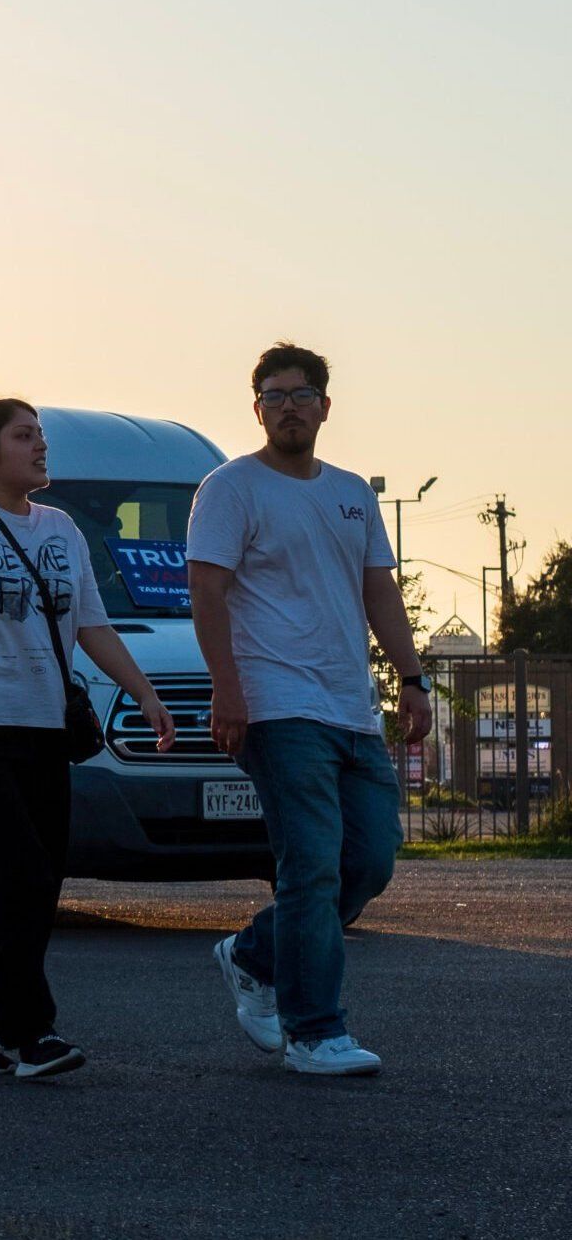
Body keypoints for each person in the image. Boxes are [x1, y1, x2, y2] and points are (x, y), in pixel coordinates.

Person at [0, 398, 173, 1079]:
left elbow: (92, 626)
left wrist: (144, 692)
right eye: (23, 436)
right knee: (15, 877)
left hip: (42, 729)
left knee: (17, 885)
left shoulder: (61, 528)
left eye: (40, 435)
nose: (40, 446)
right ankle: (28, 1033)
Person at [189, 342, 429, 1077]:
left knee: (369, 861)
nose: (287, 407)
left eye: (300, 395)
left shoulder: (352, 492)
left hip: (351, 708)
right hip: (276, 706)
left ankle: (255, 954)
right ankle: (314, 1033)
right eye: (274, 396)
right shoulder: (231, 488)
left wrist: (412, 679)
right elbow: (206, 591)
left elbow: (379, 591)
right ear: (256, 408)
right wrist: (227, 688)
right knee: (313, 866)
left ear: (325, 406)